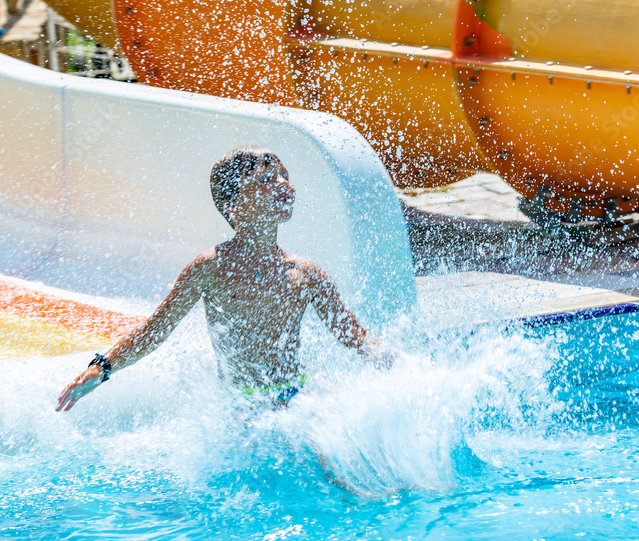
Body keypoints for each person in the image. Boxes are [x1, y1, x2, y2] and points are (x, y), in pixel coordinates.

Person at [56, 147, 390, 412]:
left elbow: (353, 334)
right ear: (232, 206)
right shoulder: (210, 268)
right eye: (267, 178)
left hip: (298, 399)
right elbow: (156, 329)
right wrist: (103, 367)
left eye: (285, 176)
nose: (283, 184)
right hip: (242, 407)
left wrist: (399, 366)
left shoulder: (306, 273)